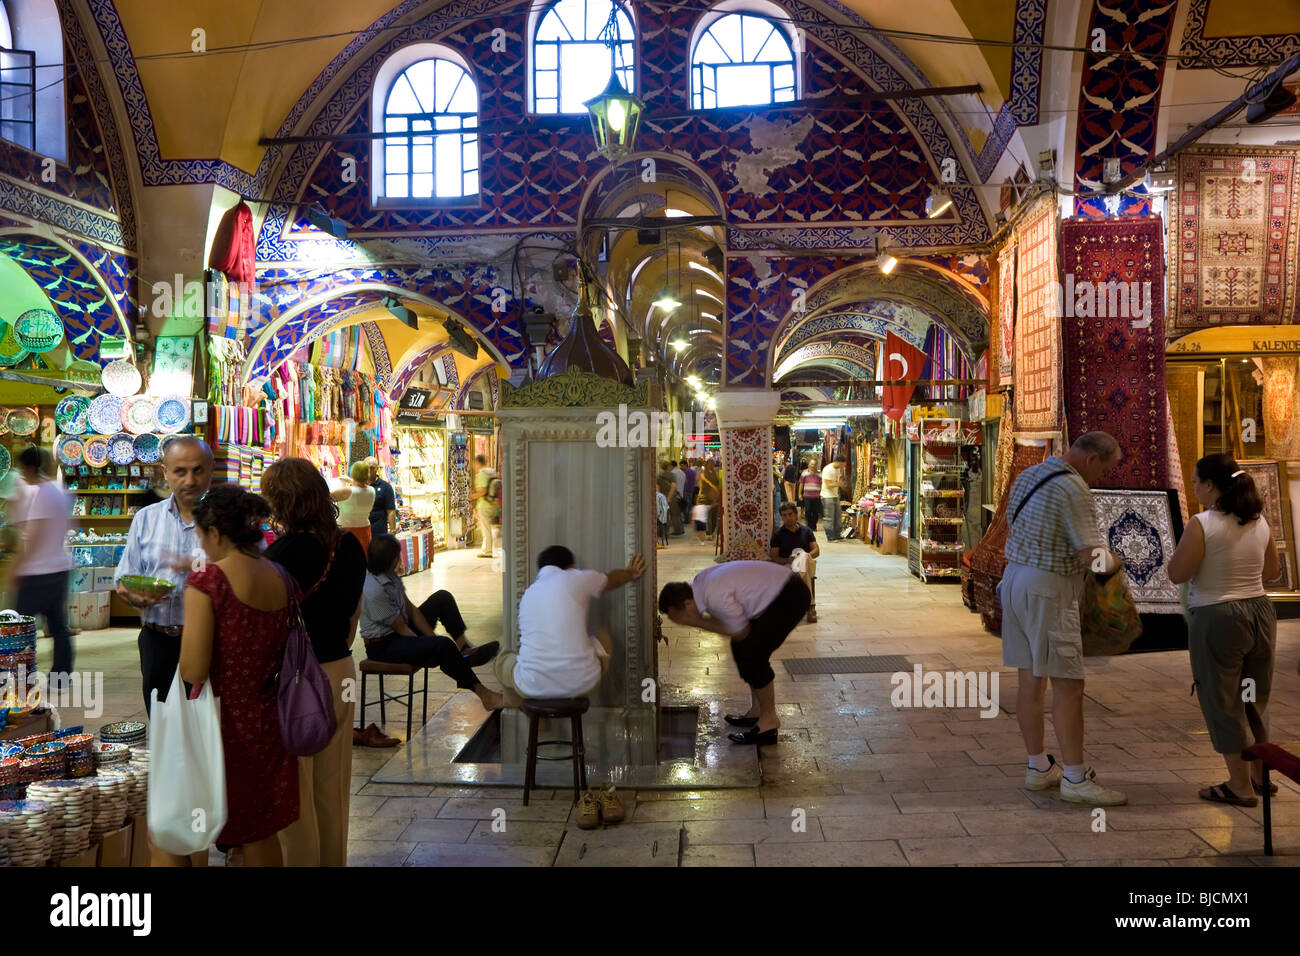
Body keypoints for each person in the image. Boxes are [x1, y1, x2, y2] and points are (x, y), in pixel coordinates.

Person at [168, 484, 294, 867]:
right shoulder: (279, 576)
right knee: (260, 829)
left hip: (222, 723)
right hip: (269, 719)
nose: (201, 546)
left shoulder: (210, 582)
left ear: (216, 533)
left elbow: (193, 669)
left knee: (179, 829)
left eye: (201, 536)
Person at [1000, 431, 1125, 807]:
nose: (1101, 477)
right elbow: (1091, 555)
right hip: (1048, 589)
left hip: (1015, 580)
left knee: (1030, 681)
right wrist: (1118, 564)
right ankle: (1075, 777)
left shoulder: (1029, 475)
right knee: (1069, 684)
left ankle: (1038, 767)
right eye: (1104, 469)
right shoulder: (1073, 487)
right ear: (1091, 459)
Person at [263, 458, 368, 866]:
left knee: (295, 791)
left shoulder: (281, 554)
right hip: (340, 669)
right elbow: (353, 618)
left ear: (283, 502)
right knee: (332, 786)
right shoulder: (349, 545)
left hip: (296, 678)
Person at [494, 546, 645, 829]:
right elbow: (612, 579)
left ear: (541, 569)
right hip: (582, 685)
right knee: (601, 635)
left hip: (532, 687)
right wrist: (631, 572)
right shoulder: (576, 578)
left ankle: (523, 709)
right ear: (570, 566)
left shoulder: (528, 594)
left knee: (505, 657)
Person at [1167, 454, 1280, 808]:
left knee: (1224, 701)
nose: (1194, 488)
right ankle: (1260, 775)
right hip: (1260, 612)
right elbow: (1272, 571)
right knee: (1253, 697)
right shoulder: (1259, 520)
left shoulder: (1202, 524)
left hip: (1218, 616)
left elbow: (1177, 573)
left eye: (1196, 481)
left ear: (1211, 485)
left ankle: (1239, 785)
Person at [658, 561, 810, 748]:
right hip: (778, 591)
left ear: (688, 604)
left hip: (790, 595)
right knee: (743, 649)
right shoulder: (700, 585)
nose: (681, 623)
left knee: (753, 654)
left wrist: (696, 622)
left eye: (679, 618)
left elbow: (739, 631)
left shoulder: (714, 596)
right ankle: (757, 711)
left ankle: (769, 721)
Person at [114, 436, 213, 714]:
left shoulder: (226, 521)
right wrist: (134, 596)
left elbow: (243, 576)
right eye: (180, 471)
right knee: (160, 720)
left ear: (210, 470)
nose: (190, 480)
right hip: (156, 640)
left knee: (205, 724)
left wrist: (199, 567)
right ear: (165, 472)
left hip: (209, 641)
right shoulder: (145, 519)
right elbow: (125, 578)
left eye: (198, 470)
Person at [360, 534, 503, 714]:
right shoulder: (374, 590)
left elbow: (411, 610)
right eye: (398, 556)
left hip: (399, 630)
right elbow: (402, 629)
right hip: (383, 645)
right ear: (393, 560)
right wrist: (429, 645)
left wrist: (430, 639)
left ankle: (463, 650)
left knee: (442, 598)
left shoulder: (389, 575)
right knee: (442, 645)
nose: (400, 559)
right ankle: (484, 694)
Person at [6, 446, 73, 680]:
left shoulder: (42, 496)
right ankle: (61, 676)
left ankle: (17, 675)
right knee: (58, 626)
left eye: (22, 469)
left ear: (30, 468)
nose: (21, 475)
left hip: (38, 574)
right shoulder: (58, 492)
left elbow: (32, 539)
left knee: (18, 628)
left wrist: (14, 569)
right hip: (59, 568)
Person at [770, 501, 820, 623]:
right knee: (801, 569)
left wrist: (805, 556)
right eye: (784, 515)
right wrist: (787, 559)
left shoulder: (806, 531)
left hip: (807, 563)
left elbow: (816, 551)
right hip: (789, 565)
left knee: (802, 556)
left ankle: (798, 605)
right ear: (781, 517)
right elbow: (774, 557)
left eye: (790, 514)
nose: (788, 518)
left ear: (796, 514)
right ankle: (811, 606)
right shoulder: (778, 534)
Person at [331, 460, 376, 555]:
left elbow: (327, 496)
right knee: (363, 557)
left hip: (347, 531)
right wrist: (350, 480)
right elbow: (361, 486)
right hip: (365, 529)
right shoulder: (372, 491)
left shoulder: (348, 491)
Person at [469, 454, 499, 558]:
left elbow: (483, 490)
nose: (474, 465)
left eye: (475, 463)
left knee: (485, 528)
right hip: (492, 503)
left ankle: (488, 551)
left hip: (484, 505)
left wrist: (472, 496)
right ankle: (485, 548)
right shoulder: (491, 472)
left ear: (478, 462)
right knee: (485, 527)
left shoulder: (482, 474)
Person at [366, 456, 398, 540]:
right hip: (362, 530)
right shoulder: (359, 486)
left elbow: (391, 511)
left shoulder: (385, 487)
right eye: (366, 467)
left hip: (379, 532)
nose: (369, 470)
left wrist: (393, 531)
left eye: (372, 468)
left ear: (377, 469)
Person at [821, 453, 845, 542]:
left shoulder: (839, 469)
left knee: (837, 516)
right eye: (842, 464)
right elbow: (828, 485)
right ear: (838, 462)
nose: (843, 466)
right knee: (829, 517)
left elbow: (840, 478)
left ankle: (837, 534)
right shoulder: (828, 469)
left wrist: (841, 476)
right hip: (827, 496)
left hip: (835, 495)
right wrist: (839, 484)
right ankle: (830, 535)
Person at [798, 459, 823, 532]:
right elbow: (801, 484)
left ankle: (814, 526)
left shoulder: (819, 474)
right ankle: (808, 526)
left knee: (816, 512)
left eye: (814, 464)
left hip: (816, 496)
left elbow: (821, 485)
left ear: (816, 465)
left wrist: (821, 494)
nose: (813, 466)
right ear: (809, 465)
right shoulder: (804, 473)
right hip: (807, 496)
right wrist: (799, 494)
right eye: (812, 464)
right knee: (808, 511)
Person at [699, 459, 721, 539]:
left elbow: (719, 484)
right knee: (708, 514)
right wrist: (700, 496)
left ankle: (712, 531)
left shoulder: (716, 473)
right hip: (706, 496)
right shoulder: (703, 474)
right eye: (710, 463)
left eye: (713, 463)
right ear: (706, 464)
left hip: (715, 496)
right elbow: (700, 485)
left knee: (714, 515)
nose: (711, 465)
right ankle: (709, 532)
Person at [669, 460, 686, 535]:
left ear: (671, 465)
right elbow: (685, 482)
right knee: (679, 514)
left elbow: (672, 485)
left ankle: (678, 530)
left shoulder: (673, 473)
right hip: (681, 494)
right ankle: (681, 529)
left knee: (674, 515)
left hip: (675, 495)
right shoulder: (682, 472)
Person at [681, 458, 697, 524]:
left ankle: (687, 519)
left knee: (686, 505)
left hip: (686, 490)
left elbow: (685, 481)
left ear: (685, 465)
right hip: (691, 489)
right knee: (690, 504)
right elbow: (694, 480)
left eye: (682, 466)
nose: (681, 467)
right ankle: (690, 519)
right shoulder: (692, 471)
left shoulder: (685, 472)